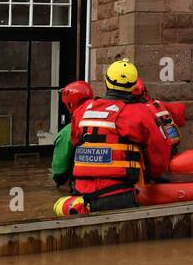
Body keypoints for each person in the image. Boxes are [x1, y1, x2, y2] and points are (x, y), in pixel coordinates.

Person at [63, 59, 176, 212]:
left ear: (106, 82)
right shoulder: (140, 113)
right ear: (134, 85)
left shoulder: (82, 110)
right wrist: (155, 174)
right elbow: (159, 150)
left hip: (80, 195)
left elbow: (75, 141)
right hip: (118, 195)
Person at [51, 80, 94, 187]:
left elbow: (59, 175)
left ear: (70, 104)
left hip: (81, 187)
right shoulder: (106, 124)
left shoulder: (67, 132)